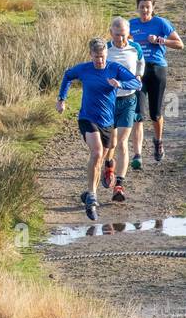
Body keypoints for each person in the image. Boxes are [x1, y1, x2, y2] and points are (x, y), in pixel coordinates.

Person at [57, 38, 142, 221]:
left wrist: (121, 85)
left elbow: (137, 84)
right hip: (87, 118)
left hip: (108, 122)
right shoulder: (84, 69)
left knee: (103, 158)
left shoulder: (114, 68)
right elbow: (67, 76)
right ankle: (92, 198)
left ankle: (89, 193)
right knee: (96, 153)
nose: (100, 61)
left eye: (102, 57)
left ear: (106, 55)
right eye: (96, 57)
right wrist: (62, 99)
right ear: (91, 55)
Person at [128, 0, 184, 164]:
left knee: (155, 113)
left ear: (152, 8)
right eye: (142, 6)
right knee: (138, 114)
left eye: (148, 7)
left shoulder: (161, 23)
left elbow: (179, 44)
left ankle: (158, 142)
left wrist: (160, 40)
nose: (144, 10)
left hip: (157, 69)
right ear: (137, 8)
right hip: (138, 70)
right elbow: (121, 42)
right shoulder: (131, 24)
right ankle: (137, 155)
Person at [104, 17, 145, 202]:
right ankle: (108, 166)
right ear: (110, 32)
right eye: (116, 35)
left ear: (128, 33)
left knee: (122, 142)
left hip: (129, 99)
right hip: (109, 101)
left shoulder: (134, 48)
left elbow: (141, 62)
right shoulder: (105, 49)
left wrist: (138, 75)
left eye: (123, 35)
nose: (120, 39)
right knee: (110, 143)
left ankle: (119, 185)